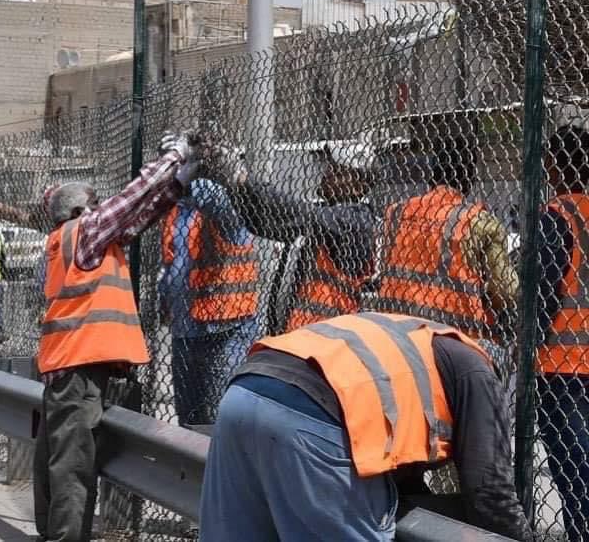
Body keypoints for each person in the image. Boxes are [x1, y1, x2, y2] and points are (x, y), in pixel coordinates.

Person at [199, 311, 532, 541]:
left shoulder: (419, 339)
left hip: (244, 392)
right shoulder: (479, 373)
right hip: (314, 414)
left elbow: (403, 478)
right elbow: (490, 492)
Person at [33, 133, 199, 542]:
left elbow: (138, 214)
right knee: (71, 470)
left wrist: (177, 183)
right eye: (92, 203)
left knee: (60, 465)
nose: (97, 208)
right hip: (76, 370)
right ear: (76, 210)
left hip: (72, 367)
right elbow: (129, 199)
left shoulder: (76, 243)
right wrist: (172, 157)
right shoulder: (81, 233)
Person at [209, 142, 377, 334]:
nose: (327, 174)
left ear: (359, 186)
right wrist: (235, 186)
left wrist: (242, 177)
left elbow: (298, 213)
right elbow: (263, 224)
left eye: (338, 172)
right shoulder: (328, 214)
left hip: (324, 340)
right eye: (329, 167)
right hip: (298, 336)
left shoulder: (357, 219)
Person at [369, 127, 517, 343]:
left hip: (396, 335)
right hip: (453, 340)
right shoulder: (480, 222)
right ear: (470, 177)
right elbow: (504, 289)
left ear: (433, 173)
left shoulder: (396, 213)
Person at [158, 178, 259, 427]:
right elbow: (170, 263)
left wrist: (194, 173)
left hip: (226, 330)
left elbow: (215, 203)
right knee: (189, 419)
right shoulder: (176, 210)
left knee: (217, 416)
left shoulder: (226, 204)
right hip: (185, 329)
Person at [537, 119, 589, 541]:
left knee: (574, 471)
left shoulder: (558, 216)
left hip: (563, 366)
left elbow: (543, 292)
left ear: (554, 165)